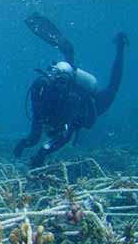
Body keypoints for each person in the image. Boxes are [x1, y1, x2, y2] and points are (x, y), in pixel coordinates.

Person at [14, 13, 127, 168]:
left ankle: (120, 46)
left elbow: (65, 135)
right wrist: (24, 144)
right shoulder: (40, 93)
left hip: (90, 107)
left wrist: (41, 154)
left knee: (112, 88)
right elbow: (35, 135)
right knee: (71, 60)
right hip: (66, 87)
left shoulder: (68, 97)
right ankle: (67, 49)